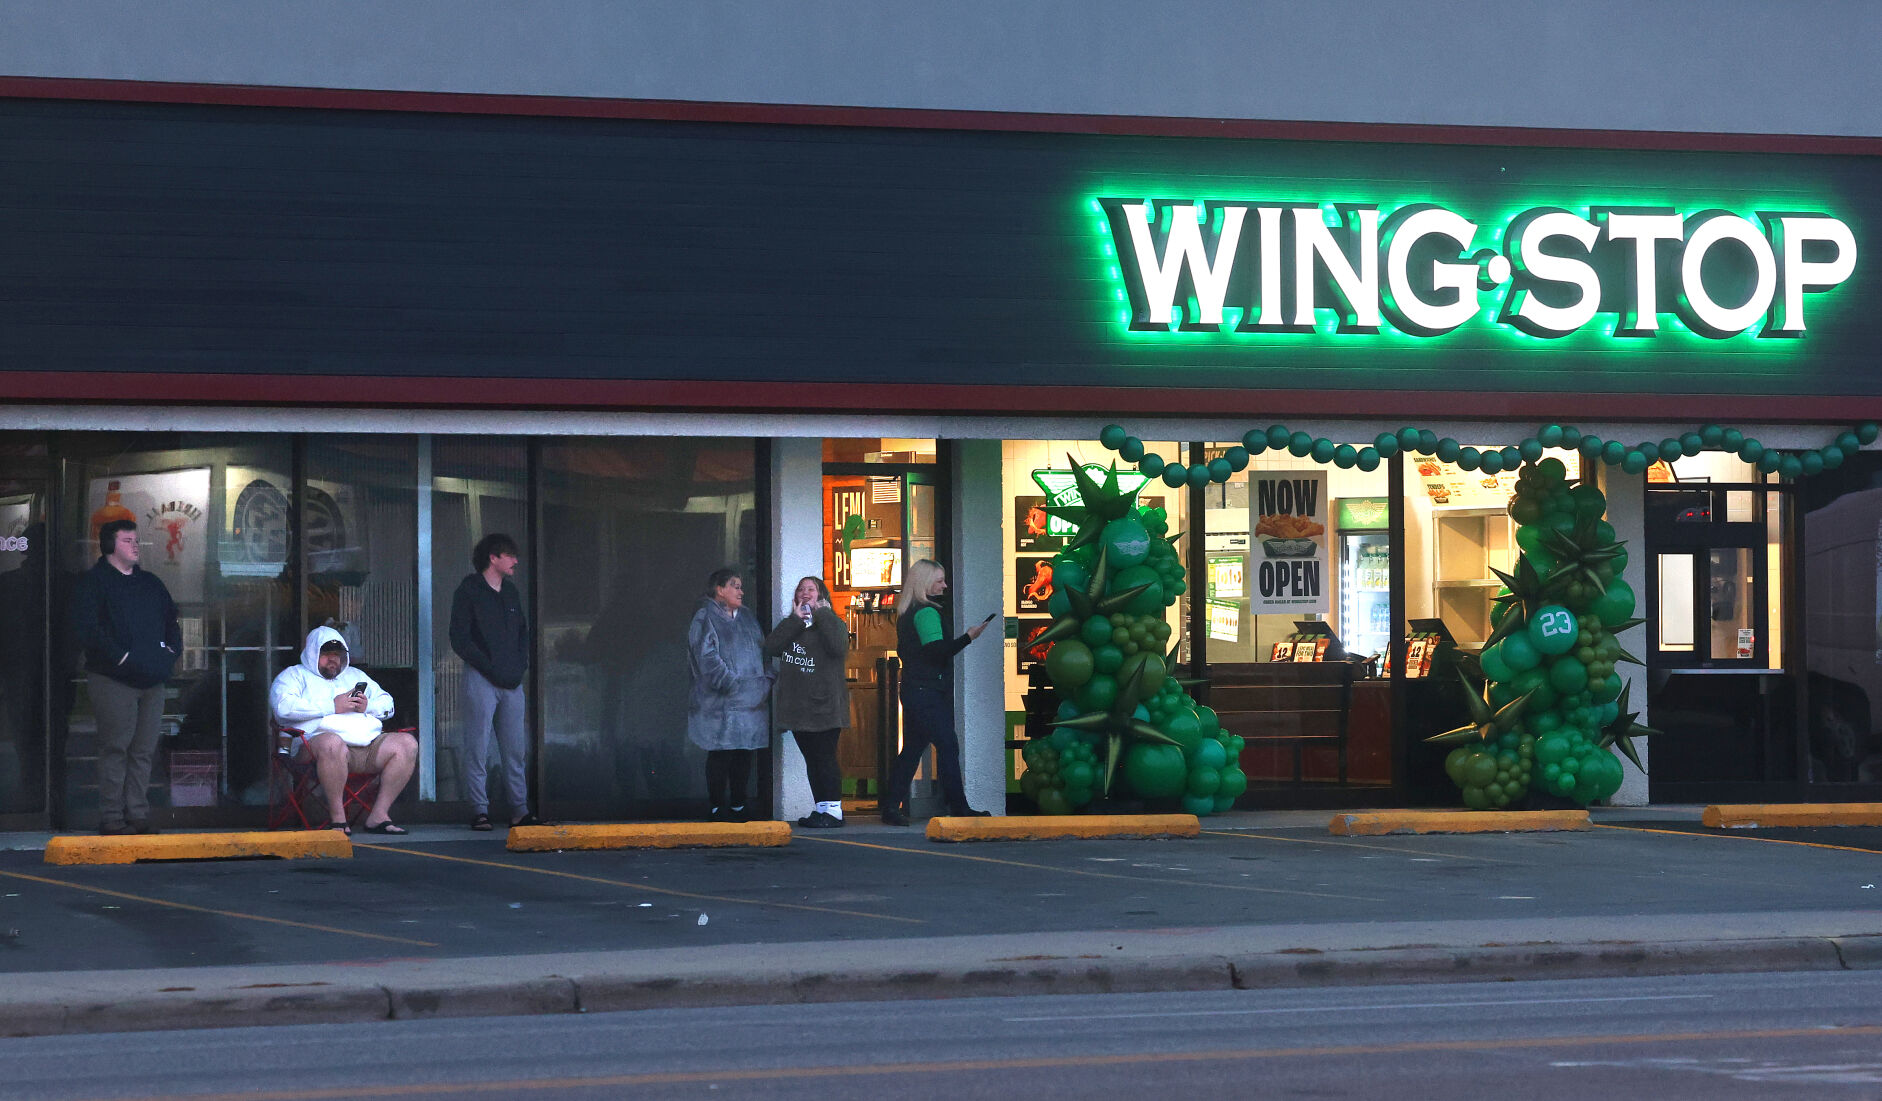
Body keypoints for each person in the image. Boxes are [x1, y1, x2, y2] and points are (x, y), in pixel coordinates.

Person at [69, 519, 180, 835]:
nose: (136, 546)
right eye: (128, 540)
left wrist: (170, 653)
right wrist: (122, 657)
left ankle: (138, 813)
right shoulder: (94, 582)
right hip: (112, 678)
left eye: (136, 540)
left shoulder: (151, 584)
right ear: (109, 546)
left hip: (152, 680)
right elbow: (88, 630)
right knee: (115, 746)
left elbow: (172, 621)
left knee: (144, 750)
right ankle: (112, 817)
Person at [270, 625, 415, 835]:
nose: (333, 660)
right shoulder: (293, 676)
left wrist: (368, 707)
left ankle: (379, 815)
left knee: (407, 744)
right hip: (313, 748)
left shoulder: (355, 676)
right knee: (332, 742)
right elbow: (282, 709)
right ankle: (338, 819)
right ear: (313, 653)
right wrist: (332, 706)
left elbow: (387, 703)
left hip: (365, 747)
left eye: (338, 655)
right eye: (327, 654)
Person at [883, 558, 994, 825]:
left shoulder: (908, 611)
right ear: (925, 583)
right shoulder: (927, 612)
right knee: (947, 745)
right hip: (928, 693)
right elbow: (935, 651)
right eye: (939, 580)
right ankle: (958, 807)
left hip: (914, 689)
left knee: (912, 750)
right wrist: (968, 637)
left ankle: (890, 806)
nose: (945, 585)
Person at [450, 533, 538, 831]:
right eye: (510, 555)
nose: (515, 561)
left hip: (512, 681)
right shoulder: (469, 590)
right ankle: (479, 809)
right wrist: (489, 668)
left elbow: (523, 633)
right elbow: (460, 639)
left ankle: (519, 810)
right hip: (481, 677)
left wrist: (519, 666)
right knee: (478, 745)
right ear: (493, 557)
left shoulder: (511, 593)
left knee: (515, 747)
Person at [686, 567, 771, 821]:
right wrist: (729, 682)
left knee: (744, 753)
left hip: (751, 703)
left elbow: (763, 649)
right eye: (735, 585)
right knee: (721, 753)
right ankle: (716, 806)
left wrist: (766, 680)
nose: (741, 591)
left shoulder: (747, 617)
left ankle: (738, 804)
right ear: (719, 589)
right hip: (719, 704)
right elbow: (705, 656)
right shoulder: (705, 616)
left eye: (741, 586)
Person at [764, 576, 849, 828]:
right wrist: (795, 620)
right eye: (800, 589)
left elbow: (838, 647)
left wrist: (822, 614)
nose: (804, 592)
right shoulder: (794, 624)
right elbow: (771, 646)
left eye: (810, 589)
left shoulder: (832, 622)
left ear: (821, 594)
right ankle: (821, 808)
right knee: (812, 759)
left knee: (824, 757)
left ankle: (834, 811)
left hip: (824, 706)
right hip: (798, 708)